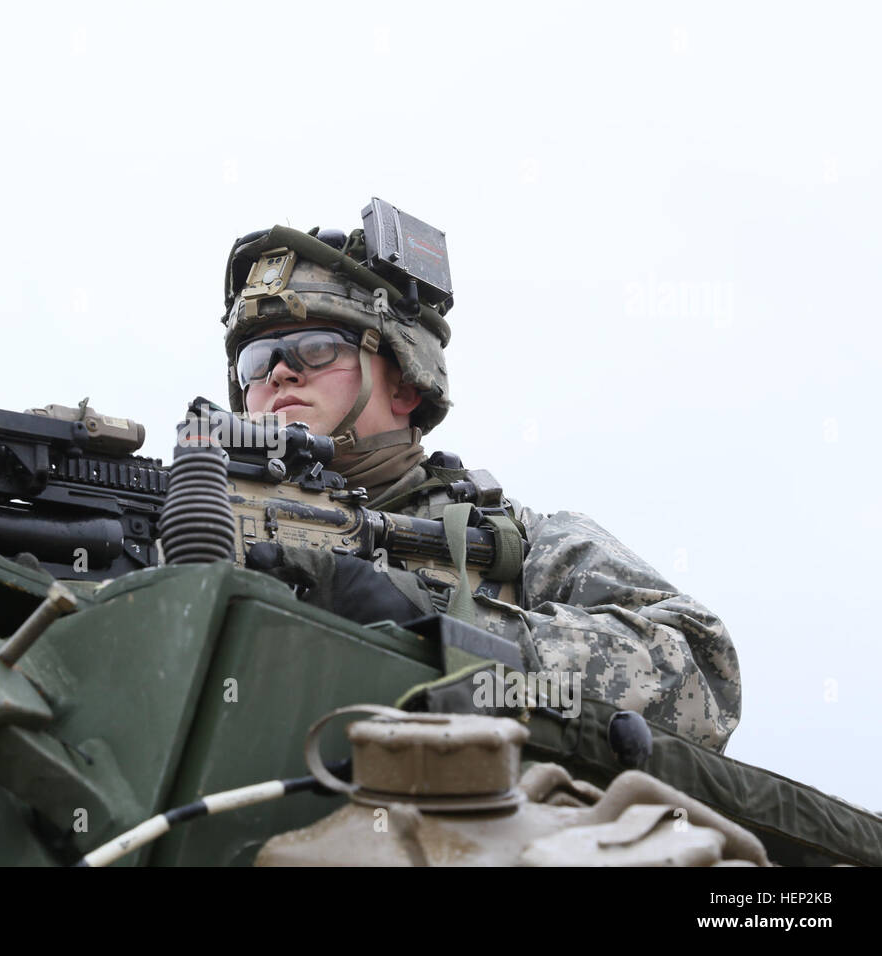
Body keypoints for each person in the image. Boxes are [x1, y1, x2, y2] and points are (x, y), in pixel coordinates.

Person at [221, 205, 742, 753]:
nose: (280, 372)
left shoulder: (518, 539)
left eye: (316, 349)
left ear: (405, 384)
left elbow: (703, 669)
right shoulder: (202, 514)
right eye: (257, 361)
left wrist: (439, 624)